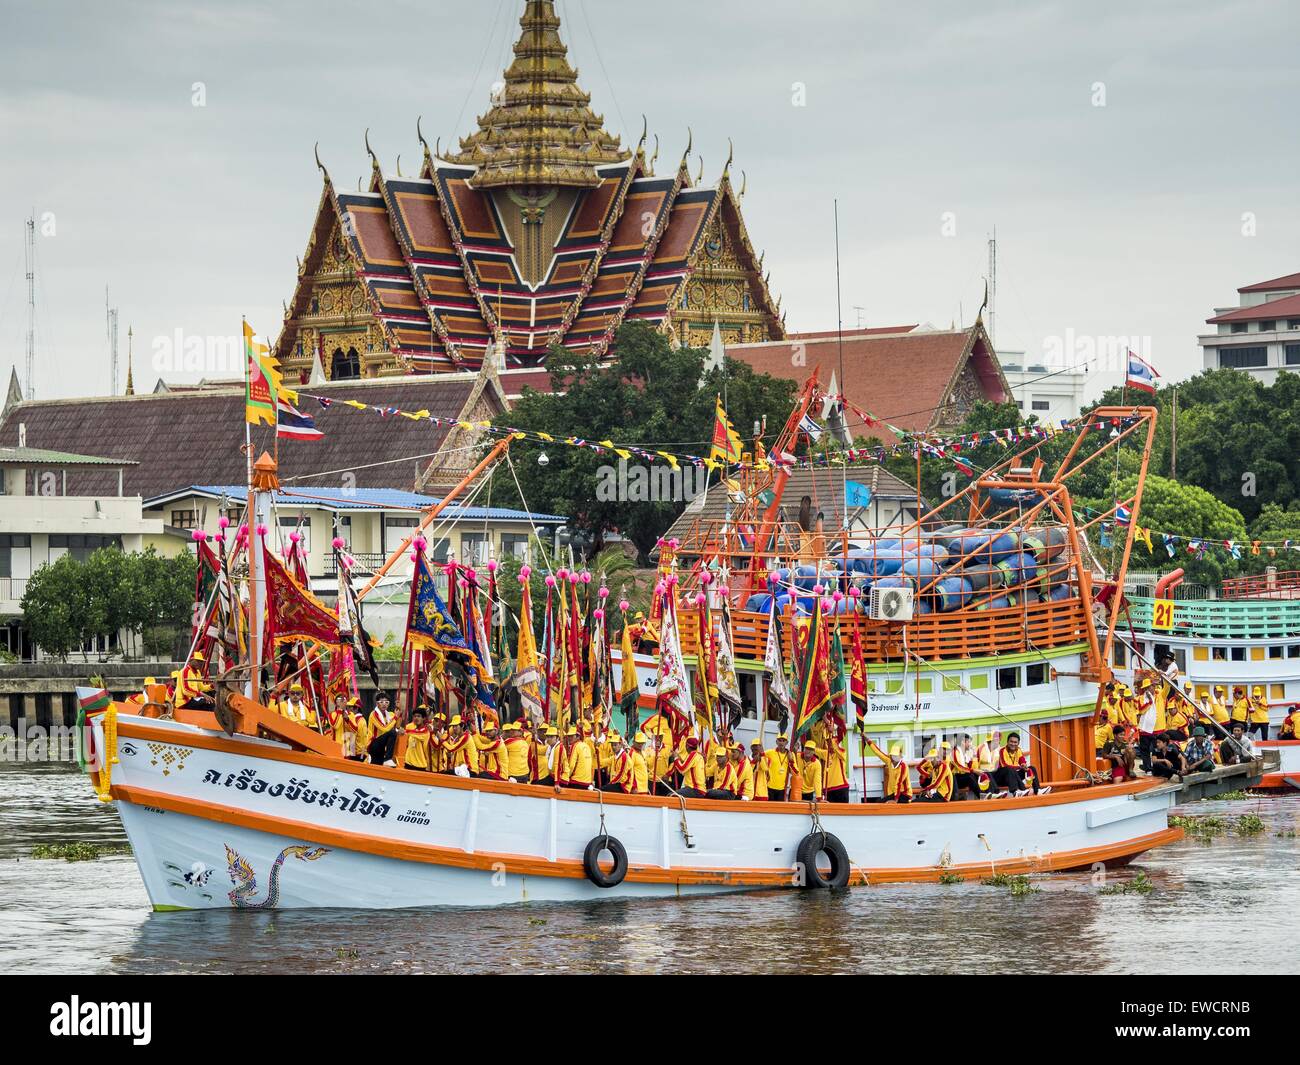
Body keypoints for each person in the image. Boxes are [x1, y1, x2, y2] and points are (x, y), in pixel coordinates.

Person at [993, 732, 1049, 796]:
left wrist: (1024, 765)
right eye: (1011, 741)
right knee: (1009, 769)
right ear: (1007, 742)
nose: (1013, 744)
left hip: (1013, 776)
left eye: (1015, 742)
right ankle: (1016, 792)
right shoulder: (1002, 751)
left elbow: (1022, 760)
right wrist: (1019, 767)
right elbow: (1004, 765)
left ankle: (1037, 790)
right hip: (1003, 778)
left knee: (1031, 768)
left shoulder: (1018, 750)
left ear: (1018, 743)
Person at [865, 738, 912, 802]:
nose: (893, 759)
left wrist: (895, 800)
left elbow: (898, 783)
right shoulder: (889, 760)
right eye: (892, 756)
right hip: (894, 794)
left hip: (904, 794)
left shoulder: (903, 766)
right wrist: (867, 740)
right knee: (879, 802)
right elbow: (878, 752)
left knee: (886, 803)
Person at [366, 693, 399, 765]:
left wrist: (398, 709)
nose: (384, 704)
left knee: (377, 765)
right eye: (381, 702)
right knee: (392, 733)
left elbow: (397, 725)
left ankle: (386, 760)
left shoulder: (389, 714)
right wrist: (395, 718)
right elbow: (384, 729)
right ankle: (388, 759)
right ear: (377, 703)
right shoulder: (374, 714)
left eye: (386, 702)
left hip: (382, 746)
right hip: (374, 744)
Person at [760, 734, 792, 801]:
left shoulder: (790, 755)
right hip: (769, 786)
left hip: (782, 789)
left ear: (787, 742)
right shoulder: (770, 752)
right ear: (776, 742)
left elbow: (793, 771)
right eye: (779, 740)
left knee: (779, 809)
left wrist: (791, 759)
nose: (781, 742)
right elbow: (760, 755)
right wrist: (760, 748)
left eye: (783, 740)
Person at [951, 734, 980, 799]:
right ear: (963, 742)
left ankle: (991, 794)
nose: (970, 744)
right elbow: (960, 767)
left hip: (961, 777)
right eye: (969, 742)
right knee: (970, 776)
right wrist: (974, 771)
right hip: (954, 779)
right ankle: (981, 796)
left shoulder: (965, 753)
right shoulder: (954, 751)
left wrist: (974, 755)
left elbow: (971, 767)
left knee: (981, 775)